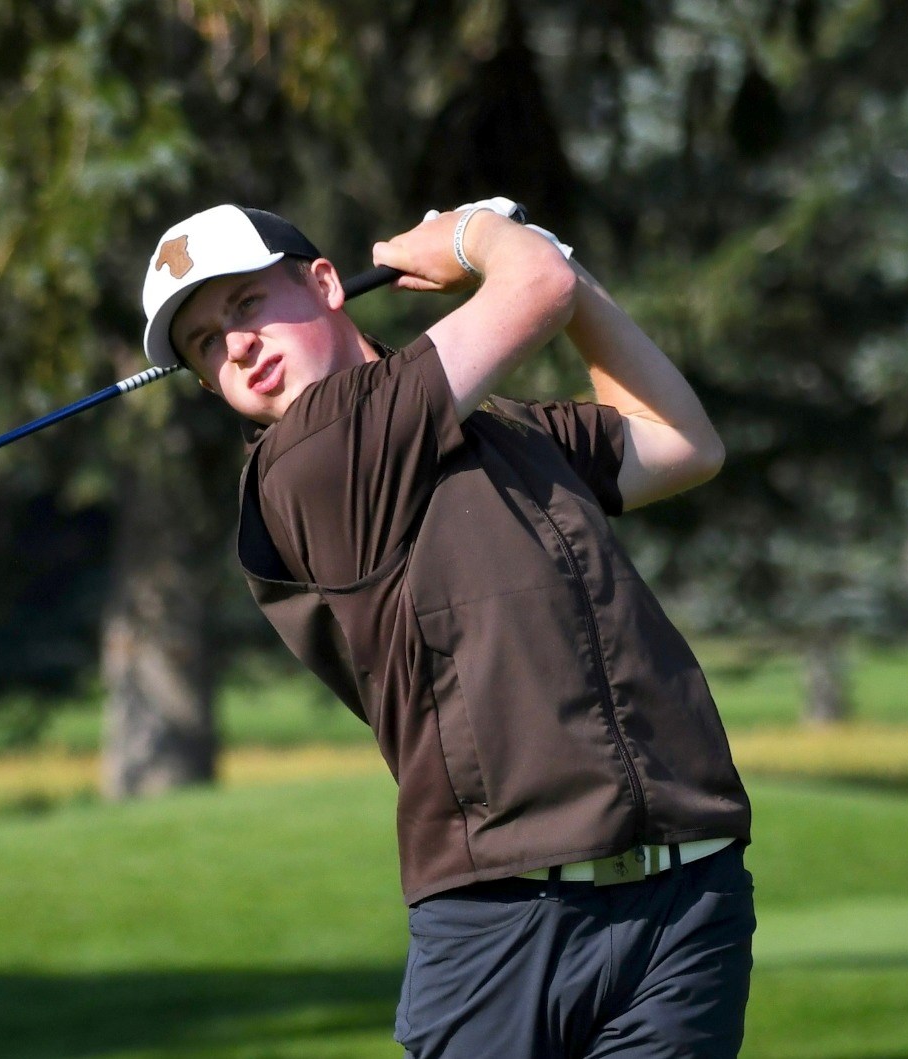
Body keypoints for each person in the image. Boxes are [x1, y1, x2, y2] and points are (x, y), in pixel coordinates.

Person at [139, 200, 755, 1059]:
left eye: (245, 303)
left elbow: (680, 442)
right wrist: (474, 237)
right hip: (505, 914)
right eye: (206, 343)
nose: (235, 345)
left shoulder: (500, 426)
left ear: (325, 284)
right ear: (209, 385)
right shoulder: (311, 456)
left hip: (684, 891)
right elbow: (531, 287)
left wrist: (558, 265)